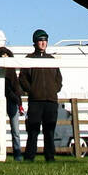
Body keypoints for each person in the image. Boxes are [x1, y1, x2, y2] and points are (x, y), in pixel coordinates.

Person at [19, 28, 62, 162]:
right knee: (33, 130)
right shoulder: (29, 59)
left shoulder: (52, 59)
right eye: (40, 40)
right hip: (35, 101)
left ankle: (50, 157)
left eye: (45, 41)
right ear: (35, 42)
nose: (43, 43)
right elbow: (23, 78)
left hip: (51, 100)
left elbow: (58, 79)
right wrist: (31, 90)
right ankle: (29, 157)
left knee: (49, 130)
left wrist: (54, 89)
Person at [0, 45, 24, 161]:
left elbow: (16, 86)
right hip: (0, 101)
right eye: (2, 55)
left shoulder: (11, 68)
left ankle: (17, 155)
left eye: (6, 54)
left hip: (12, 101)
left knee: (15, 130)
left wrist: (20, 103)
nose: (4, 57)